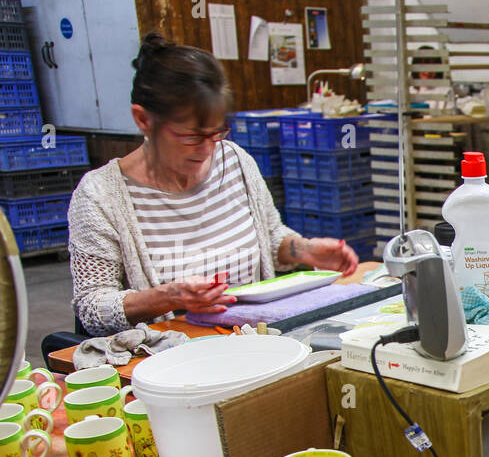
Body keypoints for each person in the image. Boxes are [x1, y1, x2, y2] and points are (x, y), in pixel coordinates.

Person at [66, 34, 358, 337]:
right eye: (191, 136)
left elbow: (270, 239)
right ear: (143, 119)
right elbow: (91, 308)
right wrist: (166, 297)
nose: (206, 148)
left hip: (256, 340)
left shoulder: (235, 161)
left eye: (215, 132)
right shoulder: (101, 196)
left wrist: (304, 250)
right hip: (173, 359)